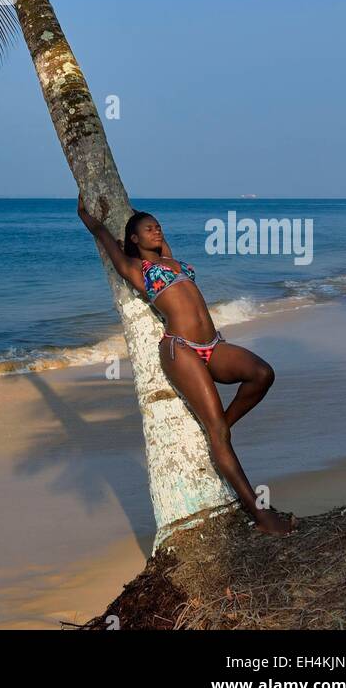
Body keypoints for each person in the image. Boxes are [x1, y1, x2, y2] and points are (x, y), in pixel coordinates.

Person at [78, 197, 297, 536]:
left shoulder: (171, 261)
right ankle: (261, 515)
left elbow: (157, 237)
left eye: (158, 226)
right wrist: (89, 219)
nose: (157, 230)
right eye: (148, 228)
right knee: (220, 436)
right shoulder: (138, 270)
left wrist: (138, 213)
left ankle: (220, 427)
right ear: (134, 240)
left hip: (214, 346)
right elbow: (109, 243)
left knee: (262, 374)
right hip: (180, 349)